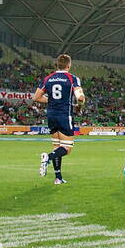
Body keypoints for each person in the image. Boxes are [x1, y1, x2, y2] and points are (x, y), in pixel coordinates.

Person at [32, 54, 85, 184]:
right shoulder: (72, 78)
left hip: (51, 115)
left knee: (57, 146)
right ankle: (47, 157)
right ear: (69, 65)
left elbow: (37, 97)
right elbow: (80, 97)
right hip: (64, 116)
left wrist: (52, 100)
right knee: (67, 148)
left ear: (57, 65)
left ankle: (58, 178)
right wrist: (79, 106)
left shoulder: (48, 79)